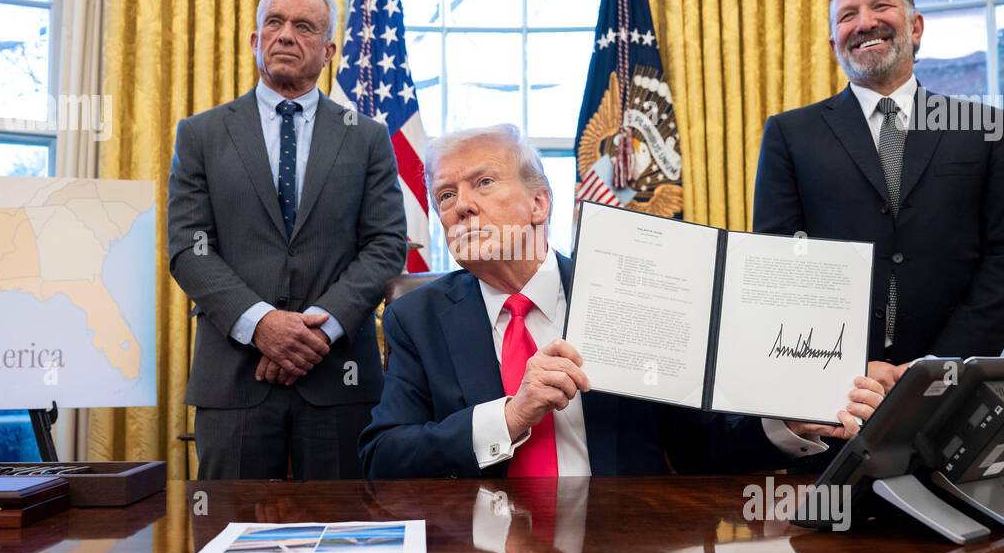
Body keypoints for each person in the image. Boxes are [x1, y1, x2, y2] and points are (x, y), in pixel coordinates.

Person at [359, 125, 884, 478]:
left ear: (540, 202)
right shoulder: (417, 316)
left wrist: (787, 423)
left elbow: (701, 446)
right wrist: (512, 417)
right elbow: (384, 455)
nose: (462, 208)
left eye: (484, 183)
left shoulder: (630, 291)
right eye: (445, 196)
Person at [168, 0, 407, 479]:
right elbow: (190, 249)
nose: (285, 35)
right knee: (227, 541)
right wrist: (262, 325)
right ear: (255, 40)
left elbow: (385, 247)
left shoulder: (367, 138)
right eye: (273, 23)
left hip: (339, 376)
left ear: (328, 50)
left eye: (304, 27)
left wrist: (318, 328)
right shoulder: (201, 134)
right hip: (234, 376)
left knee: (347, 542)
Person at [753, 0, 1004, 394]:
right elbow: (781, 266)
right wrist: (842, 366)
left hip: (955, 393)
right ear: (834, 45)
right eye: (848, 15)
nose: (864, 22)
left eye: (880, 7)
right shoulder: (790, 135)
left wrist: (939, 367)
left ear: (915, 26)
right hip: (836, 394)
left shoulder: (983, 125)